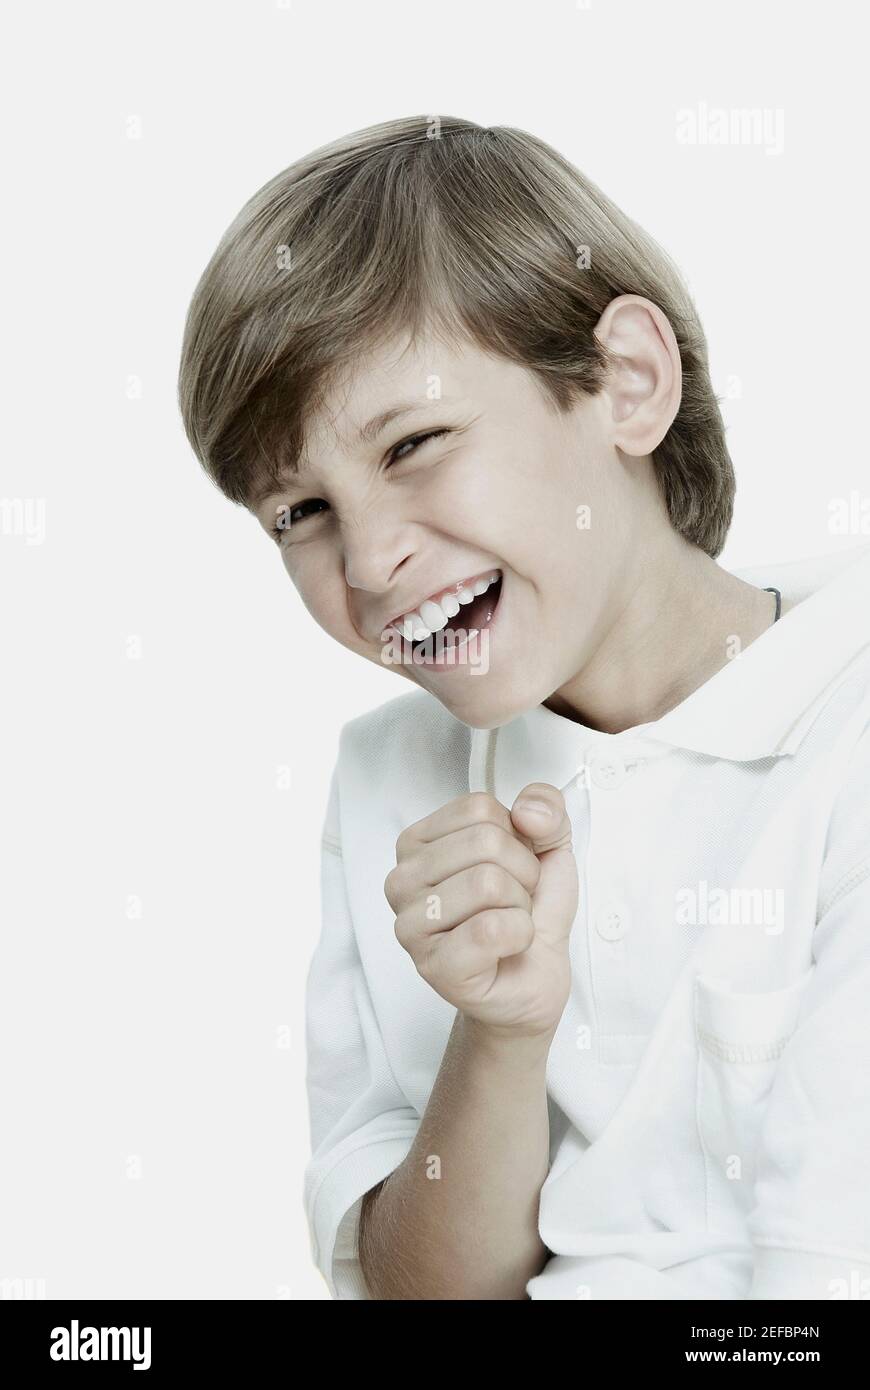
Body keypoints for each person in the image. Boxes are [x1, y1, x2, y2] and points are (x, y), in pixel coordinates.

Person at [177, 115, 870, 1299]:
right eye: (301, 513)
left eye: (416, 442)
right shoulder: (391, 783)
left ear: (627, 385)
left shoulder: (843, 726)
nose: (371, 560)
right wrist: (500, 1033)